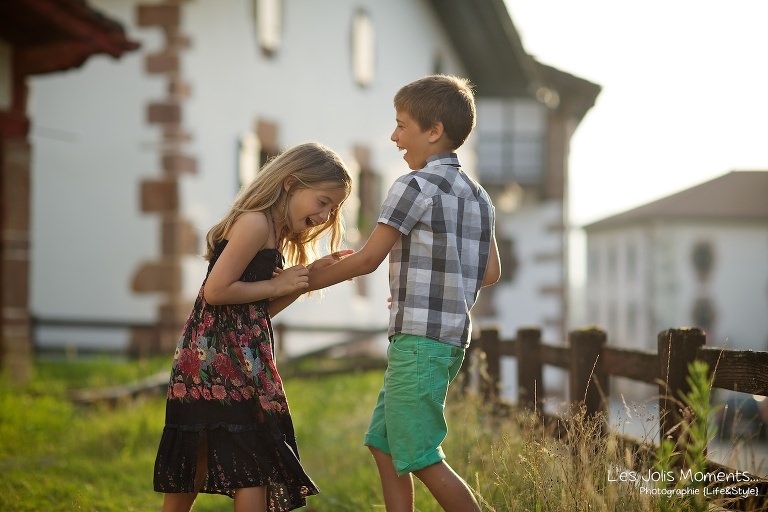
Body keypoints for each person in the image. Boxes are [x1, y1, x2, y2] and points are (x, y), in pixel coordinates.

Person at [308, 75, 501, 512]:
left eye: (401, 126)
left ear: (433, 131)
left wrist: (302, 281)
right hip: (447, 340)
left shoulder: (413, 186)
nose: (394, 137)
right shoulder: (479, 197)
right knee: (385, 445)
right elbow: (490, 272)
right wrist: (430, 284)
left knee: (420, 454)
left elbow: (367, 259)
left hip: (418, 341)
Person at [153, 142, 352, 512]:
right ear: (290, 183)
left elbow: (256, 313)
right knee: (215, 456)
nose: (326, 215)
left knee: (246, 458)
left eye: (333, 208)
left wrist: (305, 279)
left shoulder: (274, 232)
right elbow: (216, 292)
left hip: (241, 357)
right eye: (323, 201)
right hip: (213, 358)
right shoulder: (255, 222)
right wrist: (279, 284)